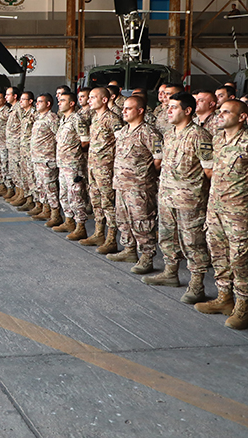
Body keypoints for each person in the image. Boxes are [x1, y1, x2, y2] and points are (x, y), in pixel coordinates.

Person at [147, 92, 213, 299]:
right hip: (167, 196)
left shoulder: (199, 136)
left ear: (187, 111)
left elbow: (210, 171)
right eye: (169, 106)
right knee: (167, 237)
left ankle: (197, 284)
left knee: (193, 242)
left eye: (173, 107)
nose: (168, 110)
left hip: (189, 200)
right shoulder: (169, 134)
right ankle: (170, 272)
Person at [195, 99, 248, 330]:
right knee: (218, 254)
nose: (220, 115)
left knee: (240, 259)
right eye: (220, 111)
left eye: (227, 112)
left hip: (239, 212)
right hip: (215, 209)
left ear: (242, 117)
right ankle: (224, 297)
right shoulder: (217, 139)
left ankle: (243, 304)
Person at [108, 95, 163, 266]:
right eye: (123, 108)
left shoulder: (148, 132)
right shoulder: (123, 131)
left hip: (139, 186)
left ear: (140, 111)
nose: (123, 111)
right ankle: (129, 250)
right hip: (122, 185)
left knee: (142, 221)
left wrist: (145, 175)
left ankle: (147, 256)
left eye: (128, 108)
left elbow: (159, 158)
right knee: (123, 219)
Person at [81, 87, 124, 250]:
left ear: (104, 100)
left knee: (107, 203)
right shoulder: (95, 118)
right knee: (96, 201)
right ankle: (99, 234)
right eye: (89, 97)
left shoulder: (112, 119)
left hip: (106, 168)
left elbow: (121, 144)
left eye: (93, 97)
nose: (89, 100)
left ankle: (111, 239)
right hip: (94, 167)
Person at [53, 91, 89, 241]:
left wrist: (74, 154)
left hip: (73, 164)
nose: (59, 103)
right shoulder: (63, 120)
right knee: (64, 195)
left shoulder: (77, 119)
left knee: (76, 196)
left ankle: (80, 227)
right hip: (63, 164)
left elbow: (85, 141)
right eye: (59, 101)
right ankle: (69, 221)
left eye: (63, 100)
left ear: (72, 103)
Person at [29, 94, 62, 226]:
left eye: (40, 102)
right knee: (41, 186)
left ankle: (55, 214)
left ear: (48, 104)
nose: (37, 104)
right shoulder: (39, 117)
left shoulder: (52, 118)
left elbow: (58, 137)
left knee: (50, 187)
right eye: (37, 102)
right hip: (38, 159)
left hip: (47, 159)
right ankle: (45, 209)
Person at [11, 91, 36, 210]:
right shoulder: (24, 114)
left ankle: (36, 203)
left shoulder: (34, 114)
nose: (20, 102)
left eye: (23, 99)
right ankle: (27, 198)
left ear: (30, 101)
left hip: (31, 151)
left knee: (32, 177)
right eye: (20, 99)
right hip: (23, 150)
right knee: (25, 176)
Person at [4, 87, 22, 203]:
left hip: (17, 145)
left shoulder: (19, 108)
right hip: (12, 145)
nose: (6, 97)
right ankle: (18, 192)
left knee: (19, 170)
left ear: (15, 96)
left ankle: (22, 194)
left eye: (8, 95)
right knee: (14, 170)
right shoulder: (12, 109)